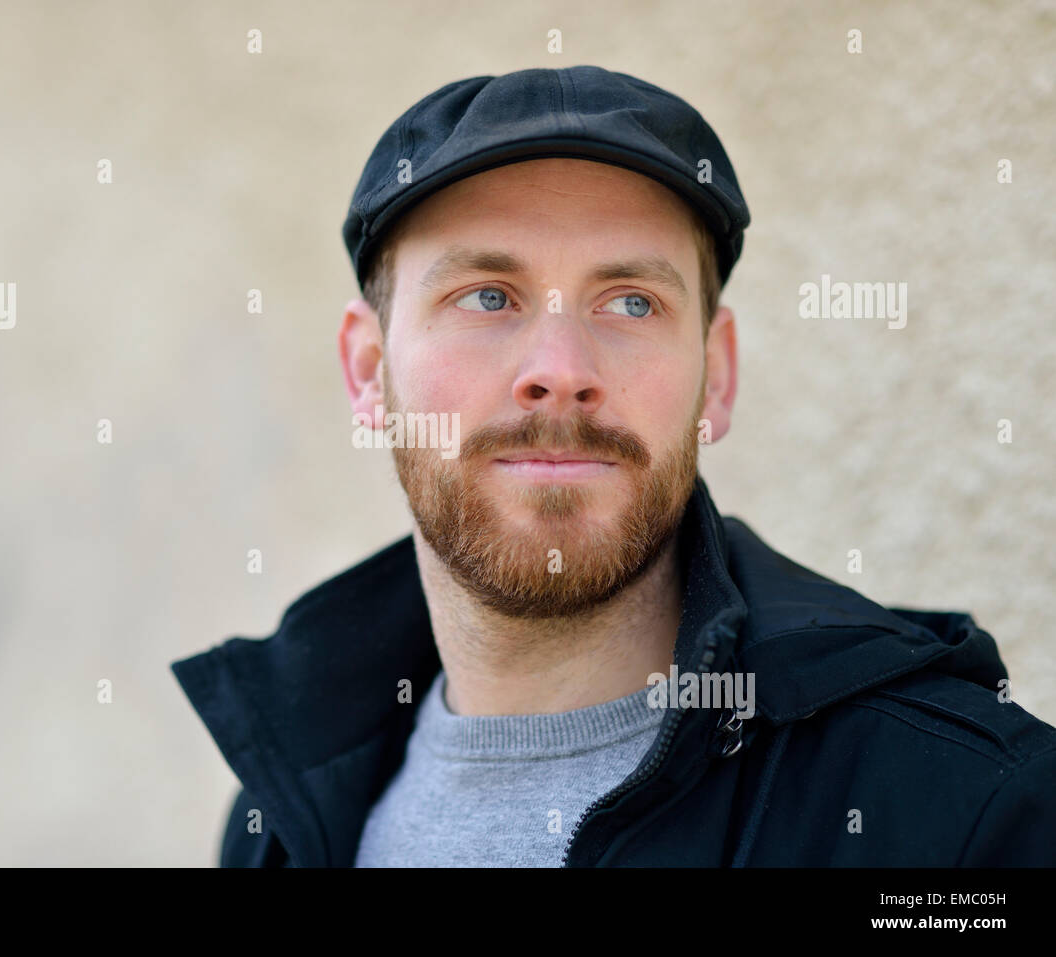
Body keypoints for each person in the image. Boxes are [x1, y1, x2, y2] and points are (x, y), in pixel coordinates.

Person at [171, 66, 1056, 867]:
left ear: (719, 376)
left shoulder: (965, 816)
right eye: (487, 295)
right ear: (369, 372)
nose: (561, 366)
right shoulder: (281, 822)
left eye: (630, 301)